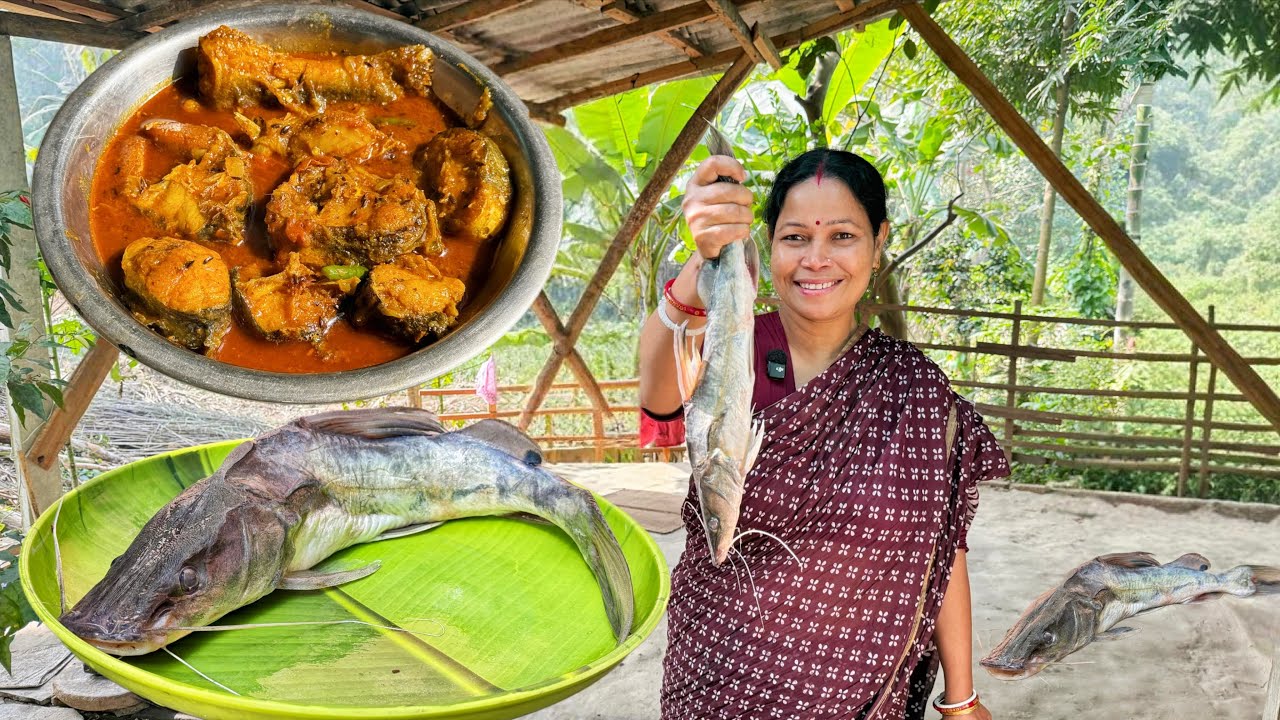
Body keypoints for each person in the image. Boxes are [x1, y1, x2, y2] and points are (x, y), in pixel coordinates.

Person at [638, 148, 1009, 719]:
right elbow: (658, 394)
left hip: (862, 700)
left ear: (878, 242)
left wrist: (961, 697)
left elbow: (941, 549)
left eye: (842, 236)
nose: (816, 259)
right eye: (795, 238)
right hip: (717, 687)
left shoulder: (915, 388)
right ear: (768, 244)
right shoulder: (727, 347)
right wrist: (704, 256)